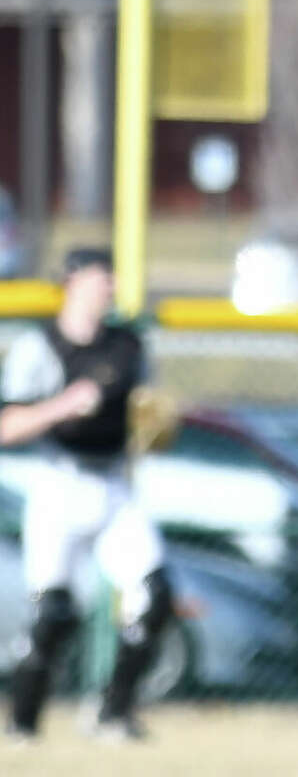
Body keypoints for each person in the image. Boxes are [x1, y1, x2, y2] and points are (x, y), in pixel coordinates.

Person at [2, 247, 173, 743]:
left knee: (155, 595)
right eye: (102, 277)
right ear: (73, 281)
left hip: (116, 485)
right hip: (60, 481)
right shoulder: (42, 347)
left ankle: (112, 714)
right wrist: (62, 406)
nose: (110, 287)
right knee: (54, 615)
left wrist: (159, 429)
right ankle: (23, 725)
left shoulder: (128, 346)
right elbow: (7, 426)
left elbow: (150, 410)